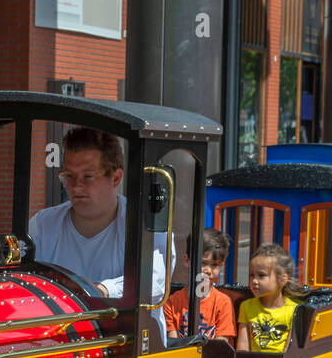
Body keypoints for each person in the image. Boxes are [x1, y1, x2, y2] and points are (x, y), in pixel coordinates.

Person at [28, 126, 171, 338]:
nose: (76, 186)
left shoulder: (145, 224)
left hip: (128, 343)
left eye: (88, 176)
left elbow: (155, 281)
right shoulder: (43, 224)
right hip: (59, 342)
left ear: (115, 178)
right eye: (69, 176)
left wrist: (101, 291)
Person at [163, 228, 236, 346]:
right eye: (203, 263)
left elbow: (220, 345)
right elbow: (174, 344)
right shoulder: (172, 303)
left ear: (221, 265)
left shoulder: (223, 303)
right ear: (187, 260)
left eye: (214, 265)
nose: (208, 270)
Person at [237, 243, 308, 354]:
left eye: (261, 275)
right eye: (252, 275)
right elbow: (243, 345)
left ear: (282, 279)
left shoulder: (294, 310)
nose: (254, 281)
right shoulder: (246, 306)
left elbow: (289, 350)